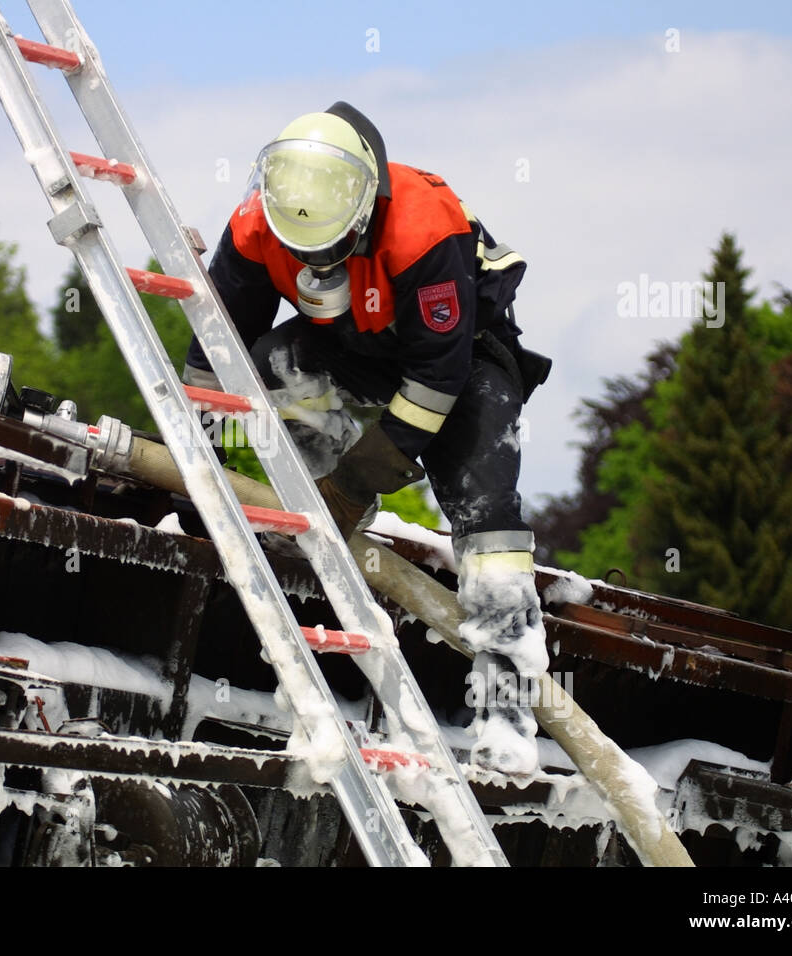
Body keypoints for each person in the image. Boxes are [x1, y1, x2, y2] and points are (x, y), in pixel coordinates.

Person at [182, 102, 553, 775]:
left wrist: (356, 482)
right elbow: (214, 352)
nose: (313, 264)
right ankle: (321, 503)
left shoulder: (422, 232)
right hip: (351, 344)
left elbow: (434, 383)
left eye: (328, 250)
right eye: (304, 255)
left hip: (462, 359)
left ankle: (507, 711)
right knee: (272, 363)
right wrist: (192, 455)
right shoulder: (256, 226)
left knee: (487, 519)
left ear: (362, 213)